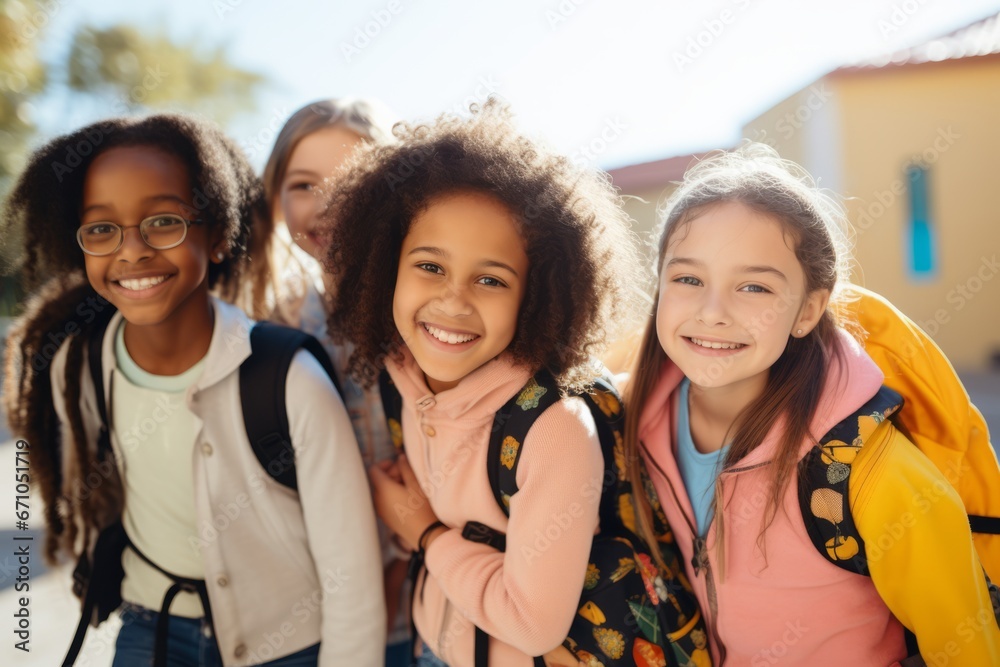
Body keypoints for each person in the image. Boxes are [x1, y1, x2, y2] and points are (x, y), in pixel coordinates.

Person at [2, 114, 385, 666]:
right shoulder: (76, 365)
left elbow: (351, 576)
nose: (131, 250)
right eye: (102, 229)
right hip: (149, 626)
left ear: (220, 236)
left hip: (287, 642)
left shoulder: (288, 376)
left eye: (163, 221)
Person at [621, 142, 1000, 665]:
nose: (712, 312)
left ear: (808, 310)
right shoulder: (631, 418)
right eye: (688, 279)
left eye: (753, 287)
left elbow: (967, 650)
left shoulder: (872, 475)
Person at [322, 101, 672, 666]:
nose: (453, 300)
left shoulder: (554, 428)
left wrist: (425, 533)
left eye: (490, 279)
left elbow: (533, 625)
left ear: (535, 297)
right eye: (430, 266)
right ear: (386, 265)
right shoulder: (400, 378)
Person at [256, 98, 413, 665]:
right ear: (275, 198)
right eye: (302, 184)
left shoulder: (431, 321)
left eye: (353, 180)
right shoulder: (269, 332)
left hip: (431, 622)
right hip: (316, 629)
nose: (325, 205)